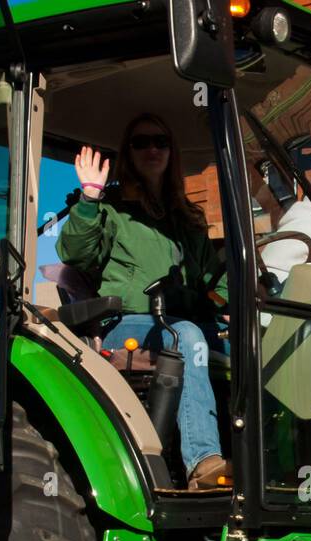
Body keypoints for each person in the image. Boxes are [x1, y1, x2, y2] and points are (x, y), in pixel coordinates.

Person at [57, 114, 230, 490]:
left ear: (171, 152)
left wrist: (237, 304)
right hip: (126, 323)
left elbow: (212, 280)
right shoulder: (110, 210)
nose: (152, 149)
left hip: (186, 324)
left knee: (254, 342)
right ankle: (203, 461)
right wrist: (89, 197)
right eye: (141, 143)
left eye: (160, 142)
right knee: (186, 336)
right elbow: (75, 252)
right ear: (128, 153)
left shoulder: (187, 216)